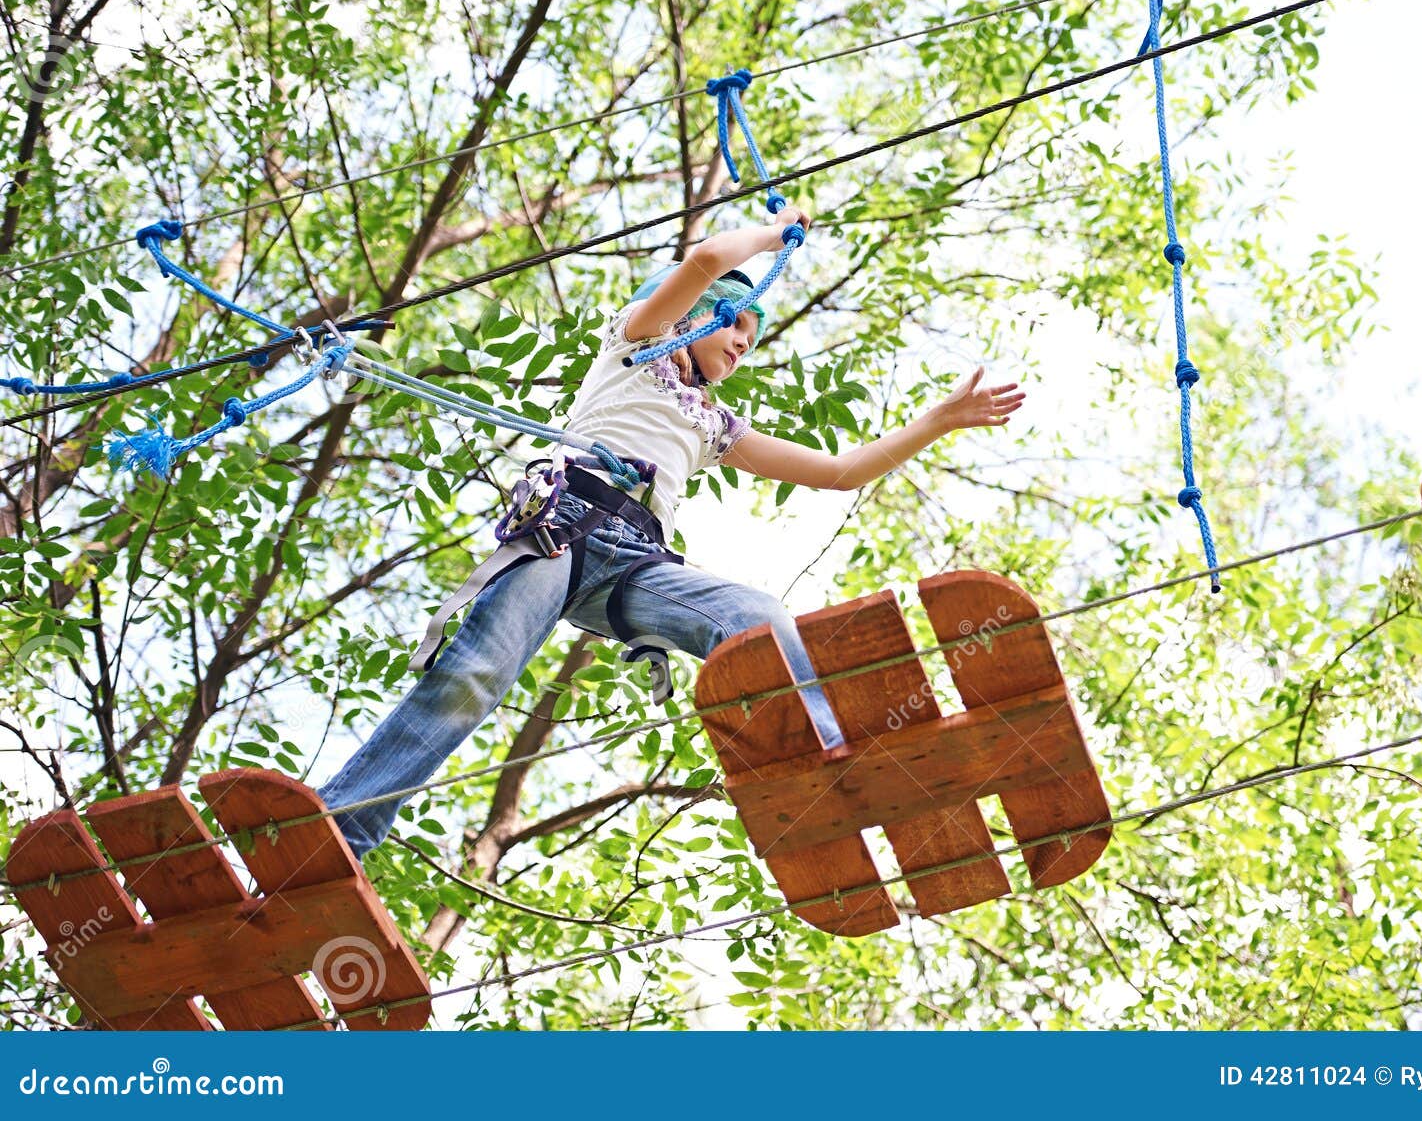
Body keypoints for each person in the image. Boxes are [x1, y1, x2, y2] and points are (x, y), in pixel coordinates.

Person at [314, 204, 1026, 860]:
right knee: (476, 676)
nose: (743, 344)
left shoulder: (714, 423)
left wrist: (938, 420)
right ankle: (344, 827)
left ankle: (827, 761)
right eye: (735, 324)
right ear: (691, 314)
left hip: (634, 565)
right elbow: (708, 261)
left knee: (756, 620)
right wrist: (774, 235)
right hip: (563, 532)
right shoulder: (636, 343)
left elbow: (840, 472)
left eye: (752, 338)